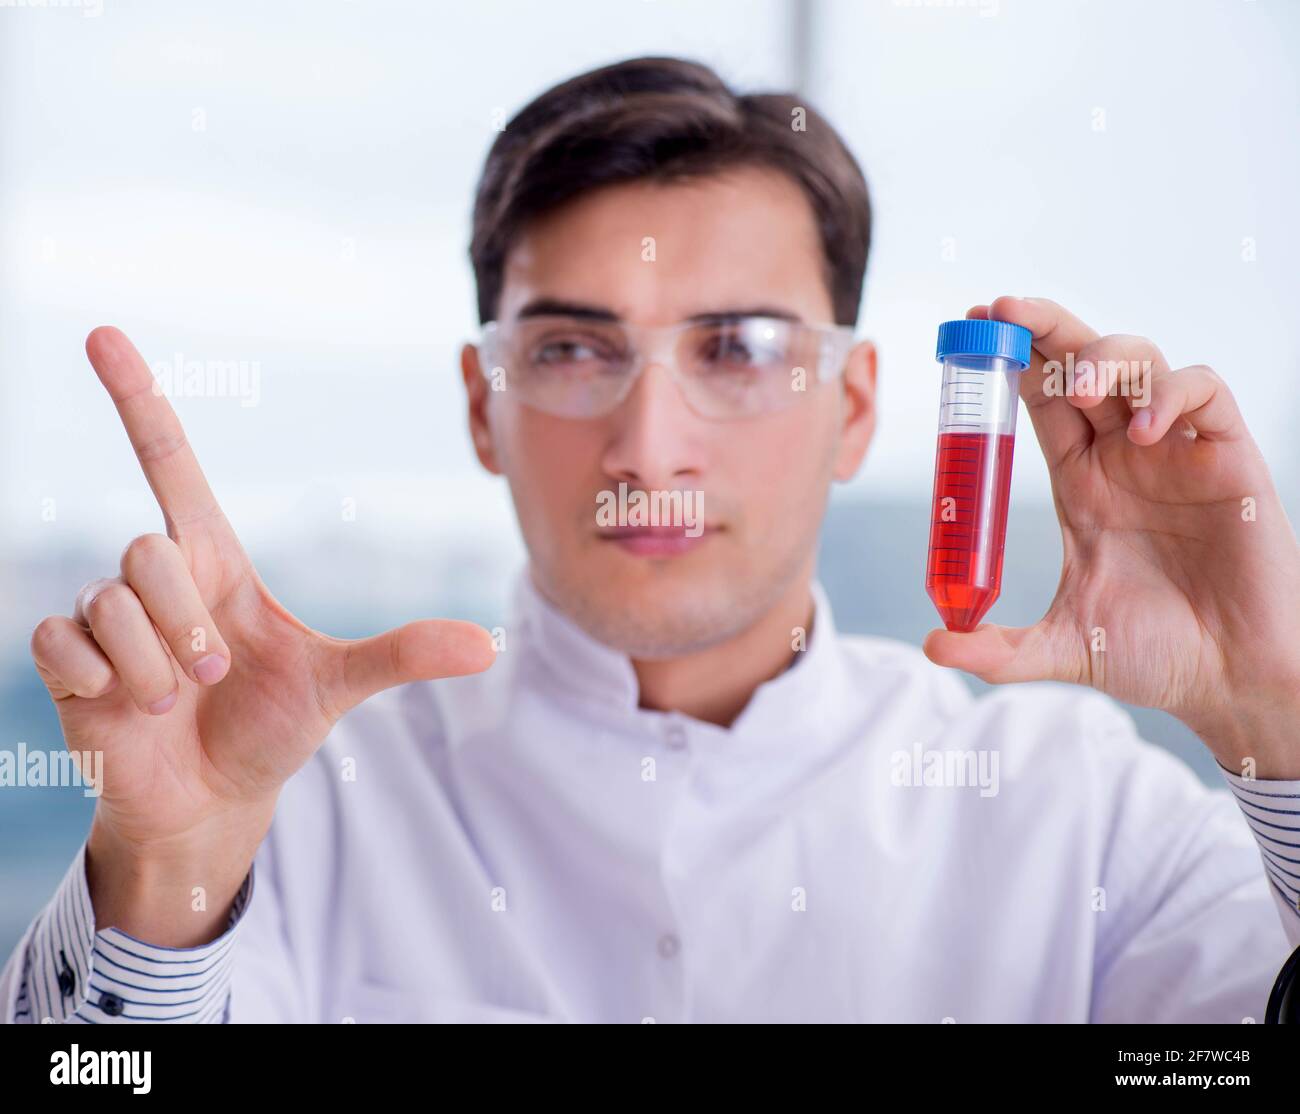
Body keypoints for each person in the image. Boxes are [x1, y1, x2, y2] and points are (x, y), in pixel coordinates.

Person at [3, 56, 1298, 1024]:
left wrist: (1275, 711)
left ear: (853, 408)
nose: (648, 443)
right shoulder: (290, 811)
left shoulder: (1080, 815)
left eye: (737, 347)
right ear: (482, 405)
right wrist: (163, 875)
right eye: (572, 349)